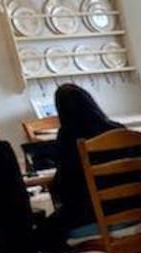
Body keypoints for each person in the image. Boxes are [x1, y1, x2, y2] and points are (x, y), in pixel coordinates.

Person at [49, 84, 129, 241]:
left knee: (46, 233)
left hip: (96, 219)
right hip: (139, 211)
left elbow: (65, 185)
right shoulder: (118, 130)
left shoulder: (69, 136)